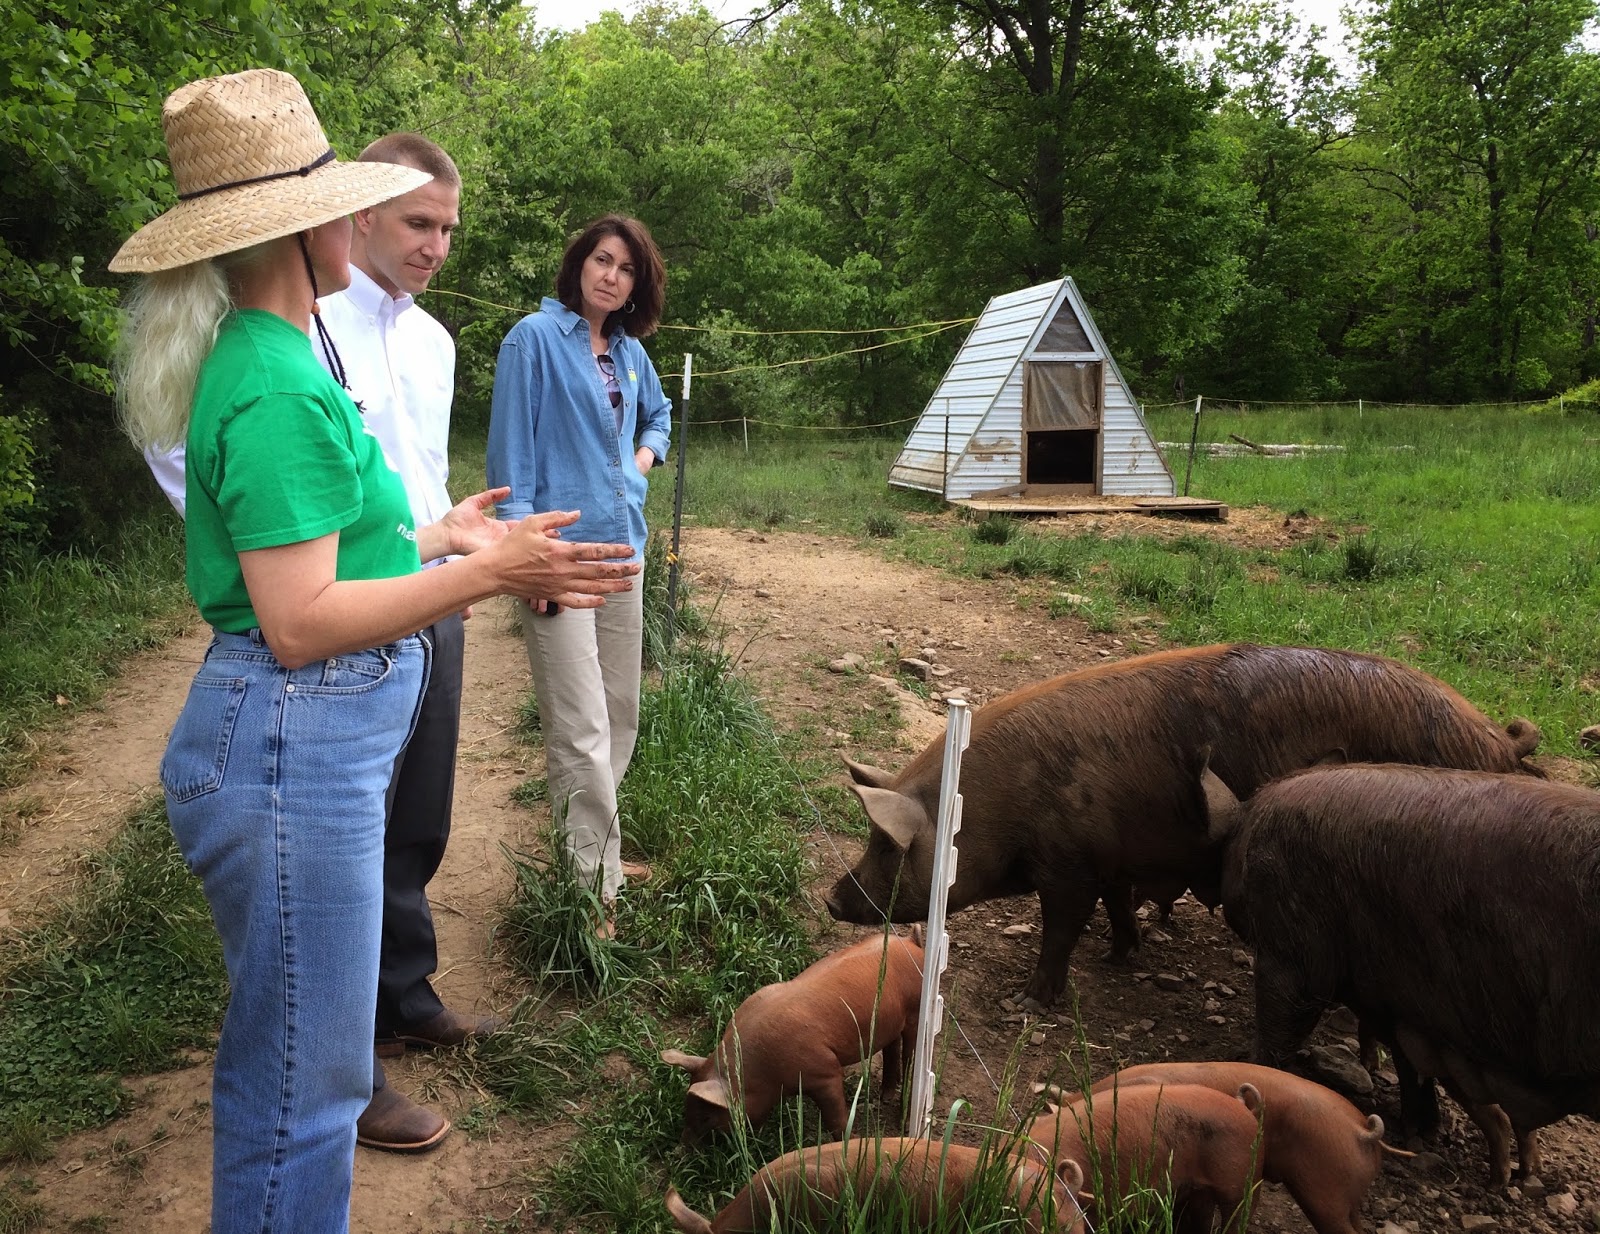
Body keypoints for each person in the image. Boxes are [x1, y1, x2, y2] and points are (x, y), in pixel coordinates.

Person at [111, 69, 637, 1233]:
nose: (363, 226)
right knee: (309, 1083)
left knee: (301, 1059)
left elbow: (324, 545)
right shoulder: (282, 380)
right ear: (301, 229)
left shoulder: (273, 353)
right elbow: (298, 620)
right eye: (346, 207)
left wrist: (434, 532)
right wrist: (489, 571)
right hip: (297, 745)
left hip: (303, 743)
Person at [144, 131, 492, 1153]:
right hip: (325, 647)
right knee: (336, 868)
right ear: (347, 222)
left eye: (445, 227)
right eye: (412, 220)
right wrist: (271, 555)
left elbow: (396, 475)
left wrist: (445, 544)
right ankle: (346, 1059)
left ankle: (394, 994)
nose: (432, 243)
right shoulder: (283, 344)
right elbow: (215, 470)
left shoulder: (425, 341)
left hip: (411, 599)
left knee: (411, 823)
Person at [486, 215, 672, 936]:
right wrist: (524, 555)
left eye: (626, 269)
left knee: (619, 712)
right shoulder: (533, 340)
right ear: (579, 264)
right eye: (601, 259)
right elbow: (510, 457)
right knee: (580, 724)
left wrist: (639, 465)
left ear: (636, 287)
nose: (611, 276)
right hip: (561, 557)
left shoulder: (629, 356)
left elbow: (657, 418)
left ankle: (598, 848)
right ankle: (592, 890)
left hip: (623, 552)